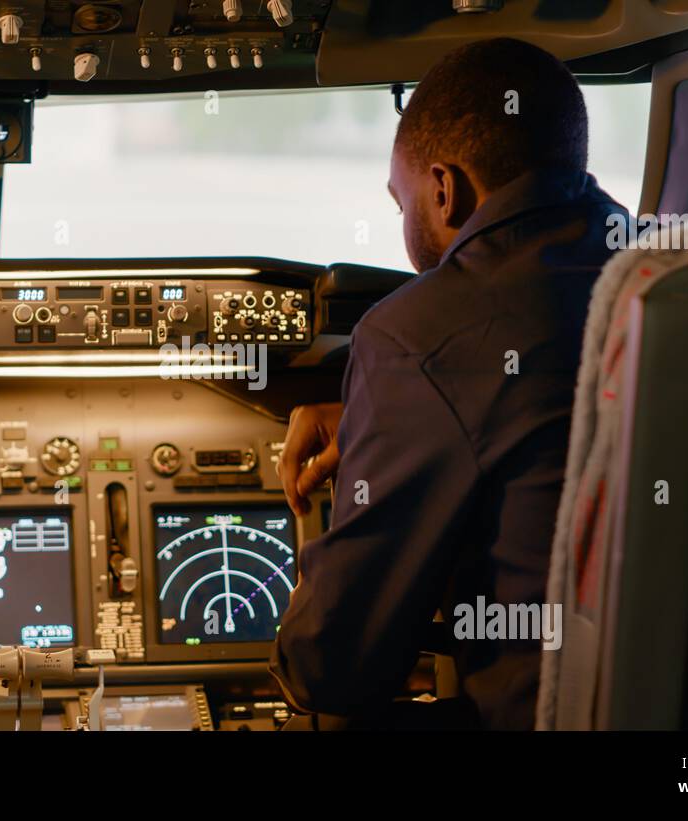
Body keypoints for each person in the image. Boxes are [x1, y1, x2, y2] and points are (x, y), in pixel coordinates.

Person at [270, 38, 630, 730]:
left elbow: (332, 667)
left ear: (444, 189)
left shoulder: (416, 336)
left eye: (401, 200)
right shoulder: (669, 273)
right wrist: (380, 419)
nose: (403, 220)